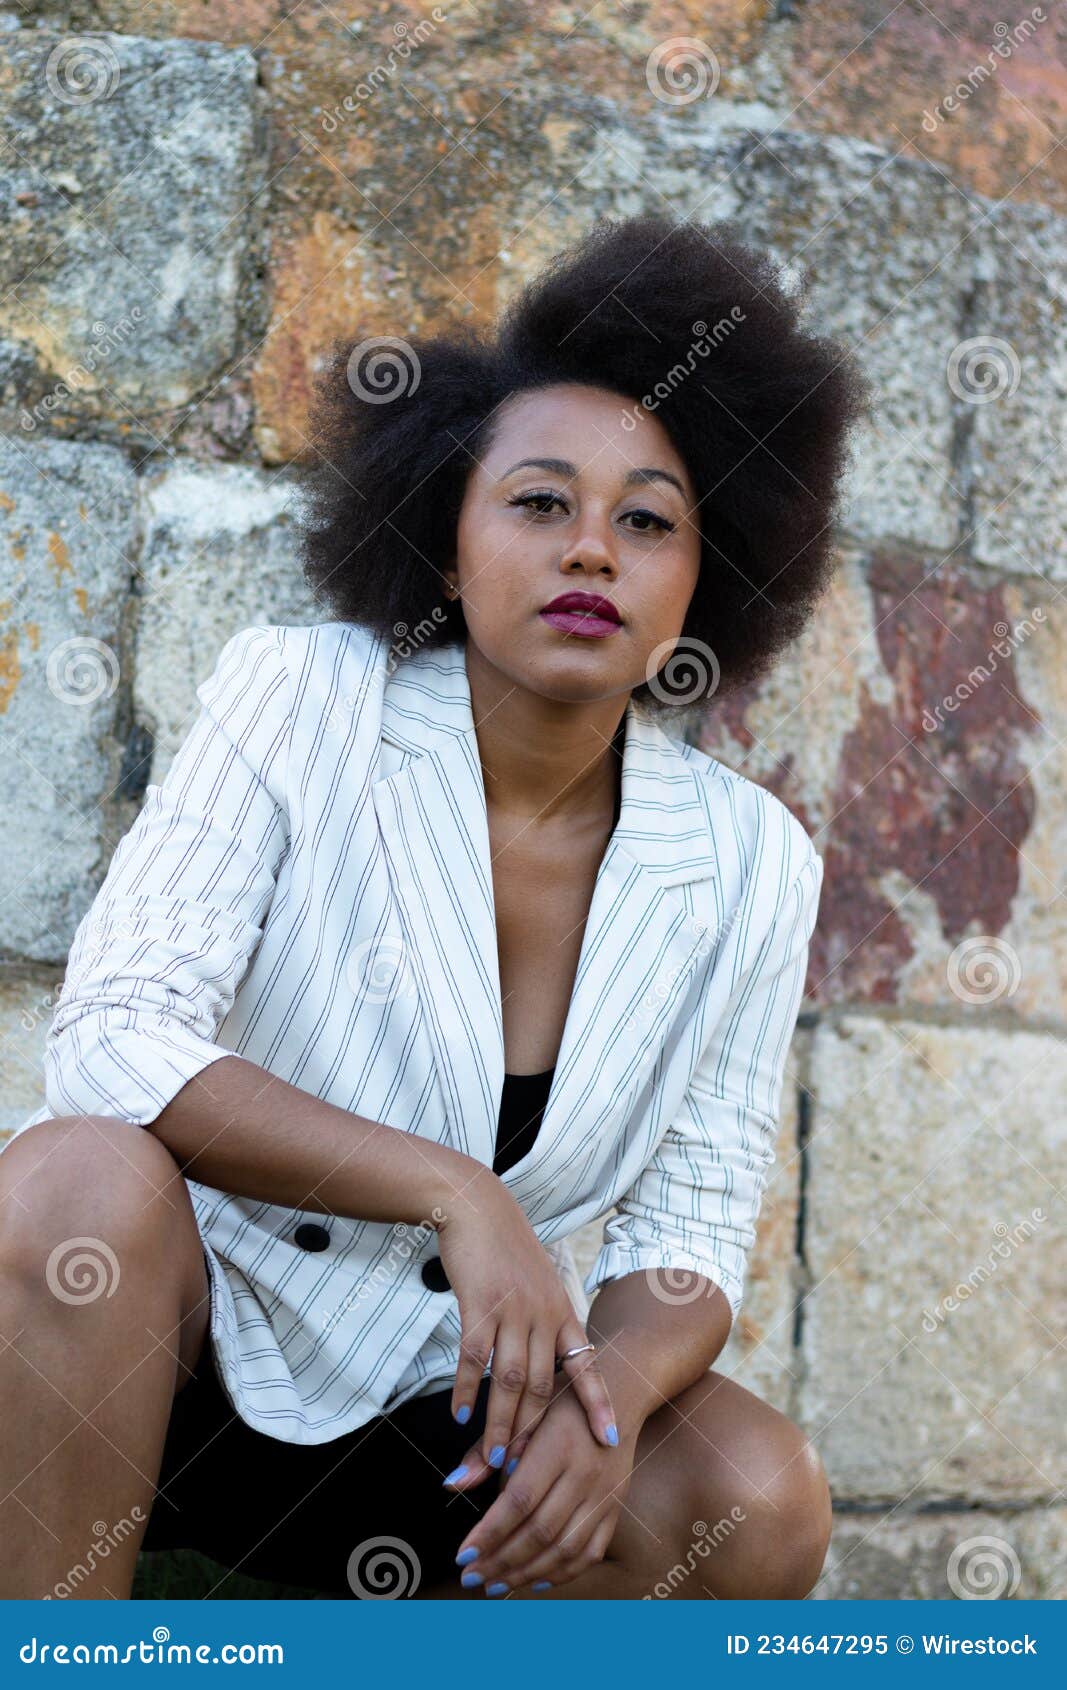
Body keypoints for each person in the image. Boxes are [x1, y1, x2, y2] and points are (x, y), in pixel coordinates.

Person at [0, 213, 868, 1600]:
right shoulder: (303, 696)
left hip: (458, 1424)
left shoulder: (752, 861)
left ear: (706, 580)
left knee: (751, 1494)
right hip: (179, 1355)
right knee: (69, 1186)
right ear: (447, 542)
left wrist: (624, 1394)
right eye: (538, 502)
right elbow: (114, 1036)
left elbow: (691, 1228)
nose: (593, 548)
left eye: (647, 520)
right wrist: (453, 1192)